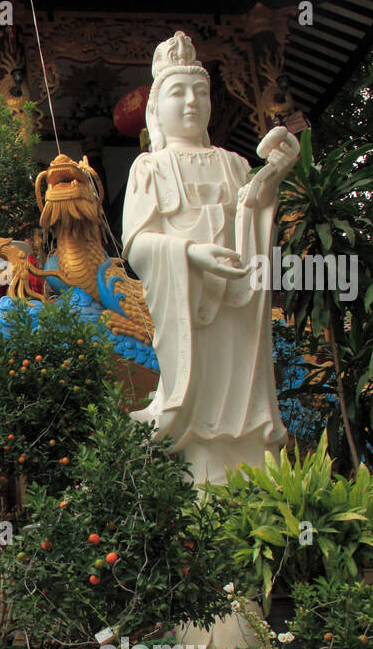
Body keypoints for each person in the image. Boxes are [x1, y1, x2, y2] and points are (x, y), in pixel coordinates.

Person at [124, 31, 297, 486]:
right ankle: (201, 474)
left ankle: (252, 463)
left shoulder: (235, 164)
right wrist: (190, 253)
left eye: (200, 92)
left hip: (237, 305)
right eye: (177, 93)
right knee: (200, 392)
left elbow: (254, 221)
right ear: (156, 108)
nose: (190, 103)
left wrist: (273, 175)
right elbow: (138, 248)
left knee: (241, 383)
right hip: (190, 303)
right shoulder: (149, 167)